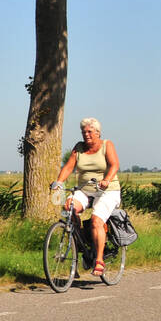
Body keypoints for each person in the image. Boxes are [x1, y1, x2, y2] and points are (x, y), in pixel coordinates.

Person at [51, 117, 121, 276]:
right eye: (84, 132)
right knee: (68, 209)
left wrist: (107, 180)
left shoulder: (106, 145)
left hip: (107, 190)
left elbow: (114, 164)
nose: (86, 134)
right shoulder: (79, 148)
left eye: (89, 131)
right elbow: (69, 167)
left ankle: (99, 260)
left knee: (97, 220)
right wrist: (59, 182)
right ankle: (81, 243)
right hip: (84, 190)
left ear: (97, 132)